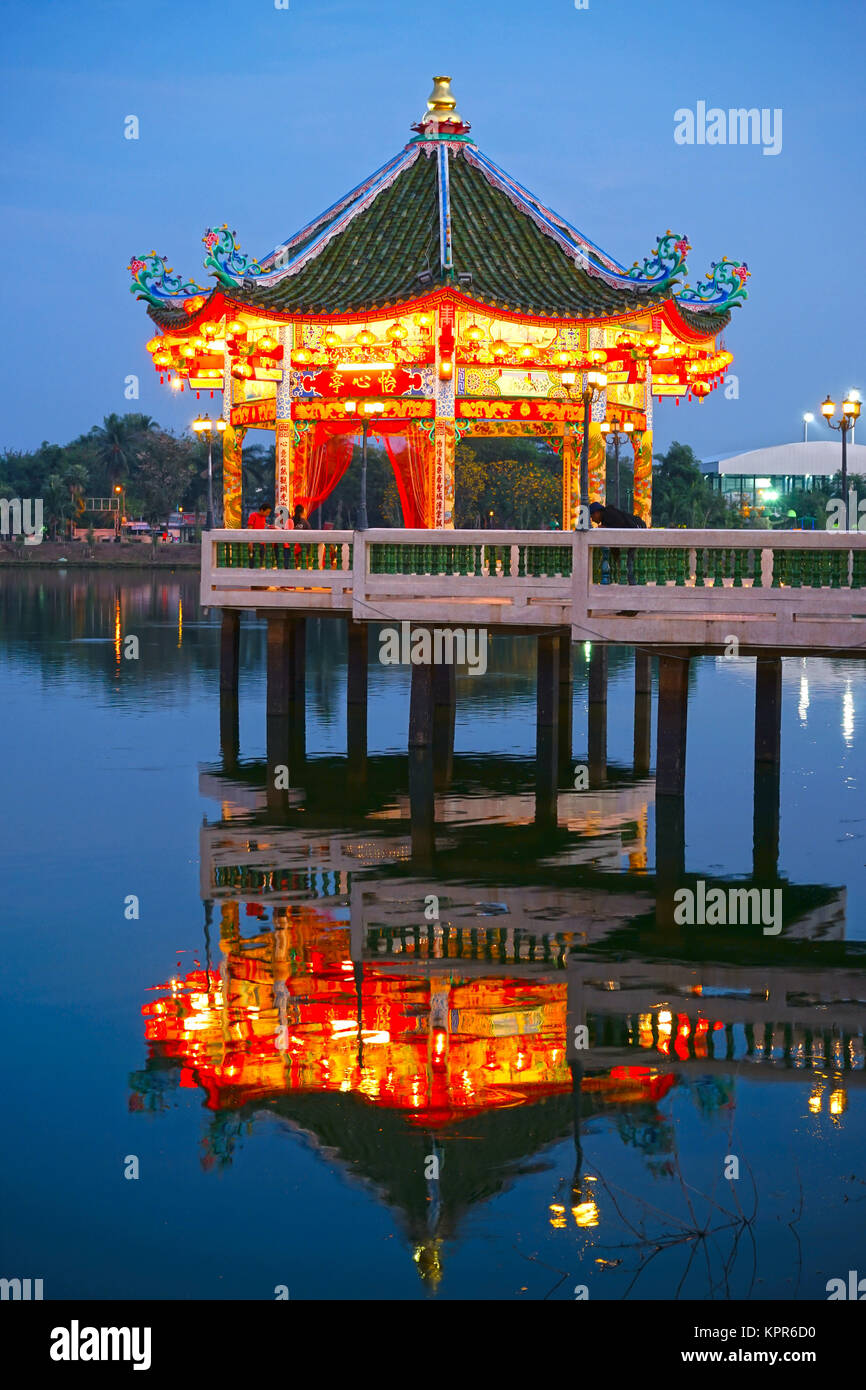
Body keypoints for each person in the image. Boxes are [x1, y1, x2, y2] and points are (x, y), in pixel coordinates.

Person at [588, 501, 645, 585]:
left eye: (592, 516)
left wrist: (606, 528)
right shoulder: (608, 515)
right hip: (632, 536)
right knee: (627, 564)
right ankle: (631, 584)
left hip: (632, 536)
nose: (592, 519)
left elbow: (620, 527)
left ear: (597, 513)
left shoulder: (609, 514)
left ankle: (632, 585)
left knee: (627, 564)